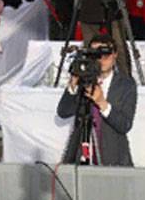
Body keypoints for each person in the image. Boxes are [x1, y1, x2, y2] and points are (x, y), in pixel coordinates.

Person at [56, 34, 137, 166]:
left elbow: (125, 125)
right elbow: (63, 112)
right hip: (81, 158)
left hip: (114, 160)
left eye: (106, 54)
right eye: (96, 55)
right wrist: (73, 85)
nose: (101, 59)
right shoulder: (83, 81)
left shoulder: (126, 84)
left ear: (115, 55)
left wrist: (102, 103)